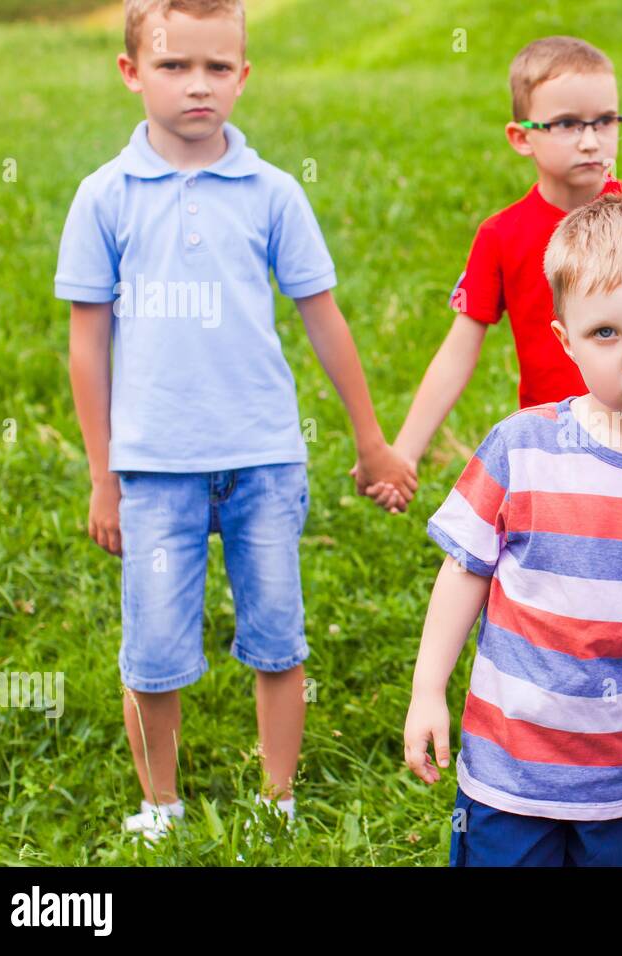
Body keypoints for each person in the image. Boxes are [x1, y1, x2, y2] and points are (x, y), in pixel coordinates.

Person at [55, 0, 409, 841]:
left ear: (244, 77)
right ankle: (161, 805)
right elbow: (86, 349)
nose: (198, 85)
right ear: (132, 72)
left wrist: (369, 438)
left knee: (280, 639)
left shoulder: (273, 194)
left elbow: (325, 320)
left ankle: (276, 801)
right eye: (175, 66)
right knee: (153, 648)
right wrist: (104, 476)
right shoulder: (104, 197)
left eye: (219, 67)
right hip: (153, 467)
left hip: (264, 459)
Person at [371, 35, 622, 694]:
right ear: (522, 137)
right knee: (568, 567)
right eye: (568, 124)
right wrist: (406, 448)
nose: (592, 139)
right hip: (557, 448)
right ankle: (564, 666)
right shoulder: (502, 236)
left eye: (605, 120)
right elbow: (461, 348)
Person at [402, 194, 622, 865]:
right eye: (606, 334)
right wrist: (426, 692)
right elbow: (463, 574)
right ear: (566, 341)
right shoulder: (520, 450)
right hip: (507, 774)